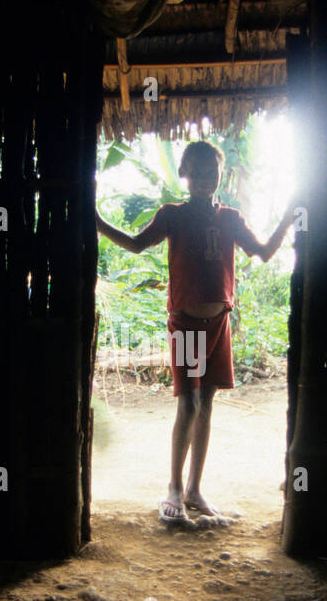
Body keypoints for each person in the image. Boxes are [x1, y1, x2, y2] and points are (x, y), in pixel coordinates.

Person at [96, 140, 295, 523]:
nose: (206, 178)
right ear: (185, 174)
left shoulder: (231, 218)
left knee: (206, 406)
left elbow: (265, 252)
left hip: (218, 326)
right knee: (188, 405)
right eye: (198, 171)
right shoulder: (172, 215)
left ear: (222, 174)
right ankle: (173, 486)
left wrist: (288, 215)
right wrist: (98, 222)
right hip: (186, 327)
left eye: (212, 171)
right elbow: (137, 245)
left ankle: (194, 490)